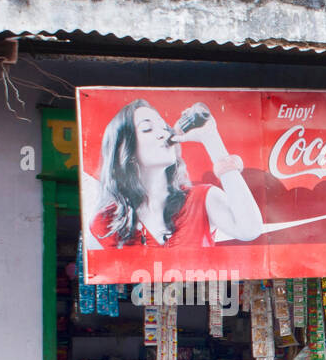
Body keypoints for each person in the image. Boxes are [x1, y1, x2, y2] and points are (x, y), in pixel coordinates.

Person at [89, 99, 263, 249]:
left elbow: (250, 230)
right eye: (148, 128)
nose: (163, 134)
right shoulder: (105, 222)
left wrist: (212, 140)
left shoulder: (202, 198)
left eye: (164, 127)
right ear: (126, 150)